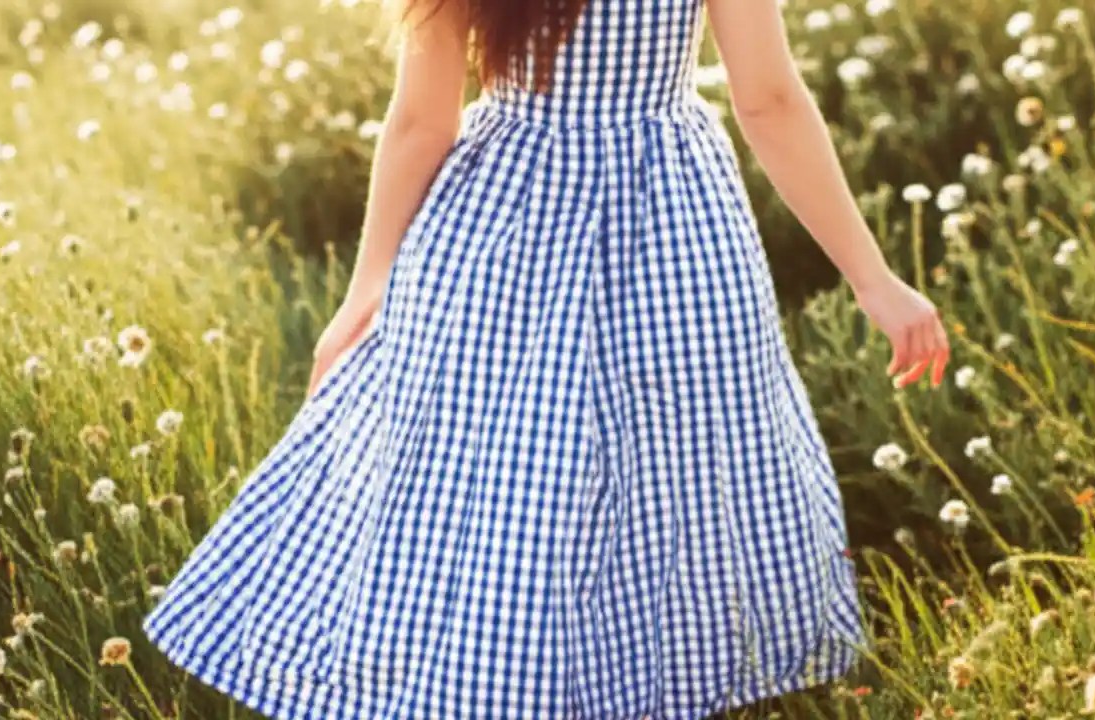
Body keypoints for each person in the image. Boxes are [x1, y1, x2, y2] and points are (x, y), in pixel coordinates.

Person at [143, 0, 950, 717]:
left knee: (504, 474)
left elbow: (422, 122)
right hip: (665, 214)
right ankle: (662, 673)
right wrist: (873, 281)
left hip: (502, 211)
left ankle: (488, 676)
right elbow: (767, 101)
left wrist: (369, 286)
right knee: (673, 458)